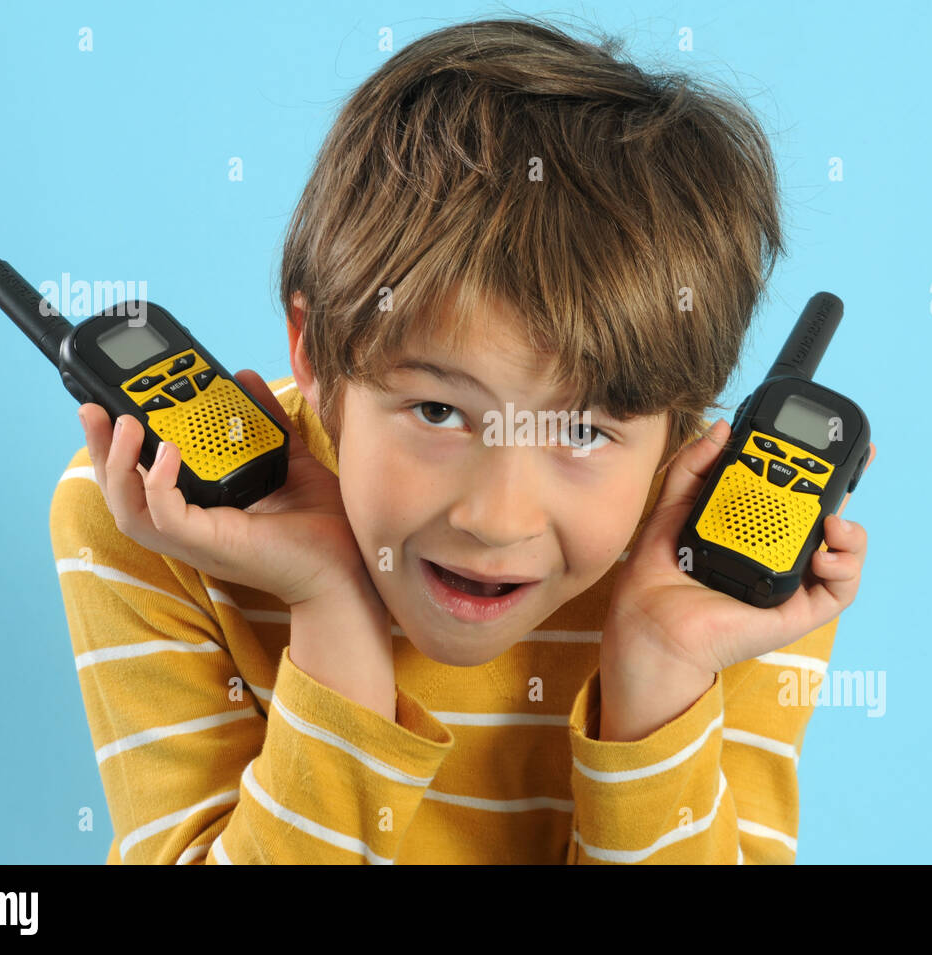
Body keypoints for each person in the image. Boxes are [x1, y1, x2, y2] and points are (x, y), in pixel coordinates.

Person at [51, 15, 874, 864]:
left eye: (584, 429)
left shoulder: (741, 561)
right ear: (317, 352)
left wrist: (660, 675)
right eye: (440, 412)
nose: (497, 518)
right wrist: (334, 606)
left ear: (680, 421)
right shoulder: (148, 512)